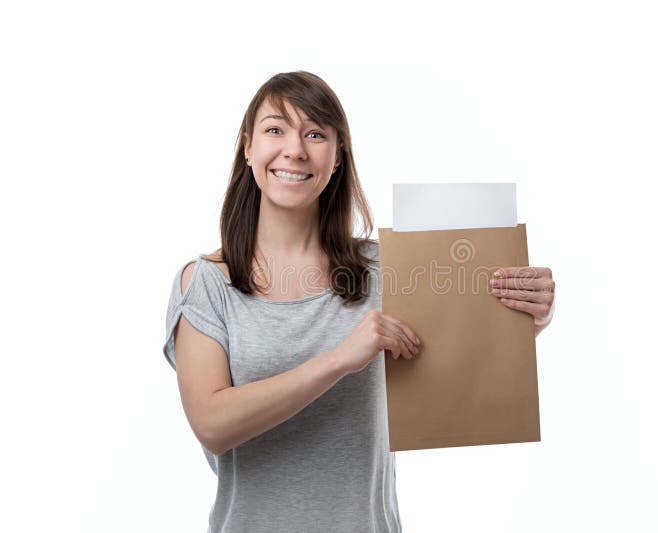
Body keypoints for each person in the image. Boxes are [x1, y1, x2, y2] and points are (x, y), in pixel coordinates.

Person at [162, 71, 555, 533]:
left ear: (338, 156)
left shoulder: (387, 268)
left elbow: (456, 357)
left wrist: (527, 317)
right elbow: (212, 424)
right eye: (275, 129)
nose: (295, 149)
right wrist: (339, 360)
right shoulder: (206, 283)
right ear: (248, 147)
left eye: (315, 134)